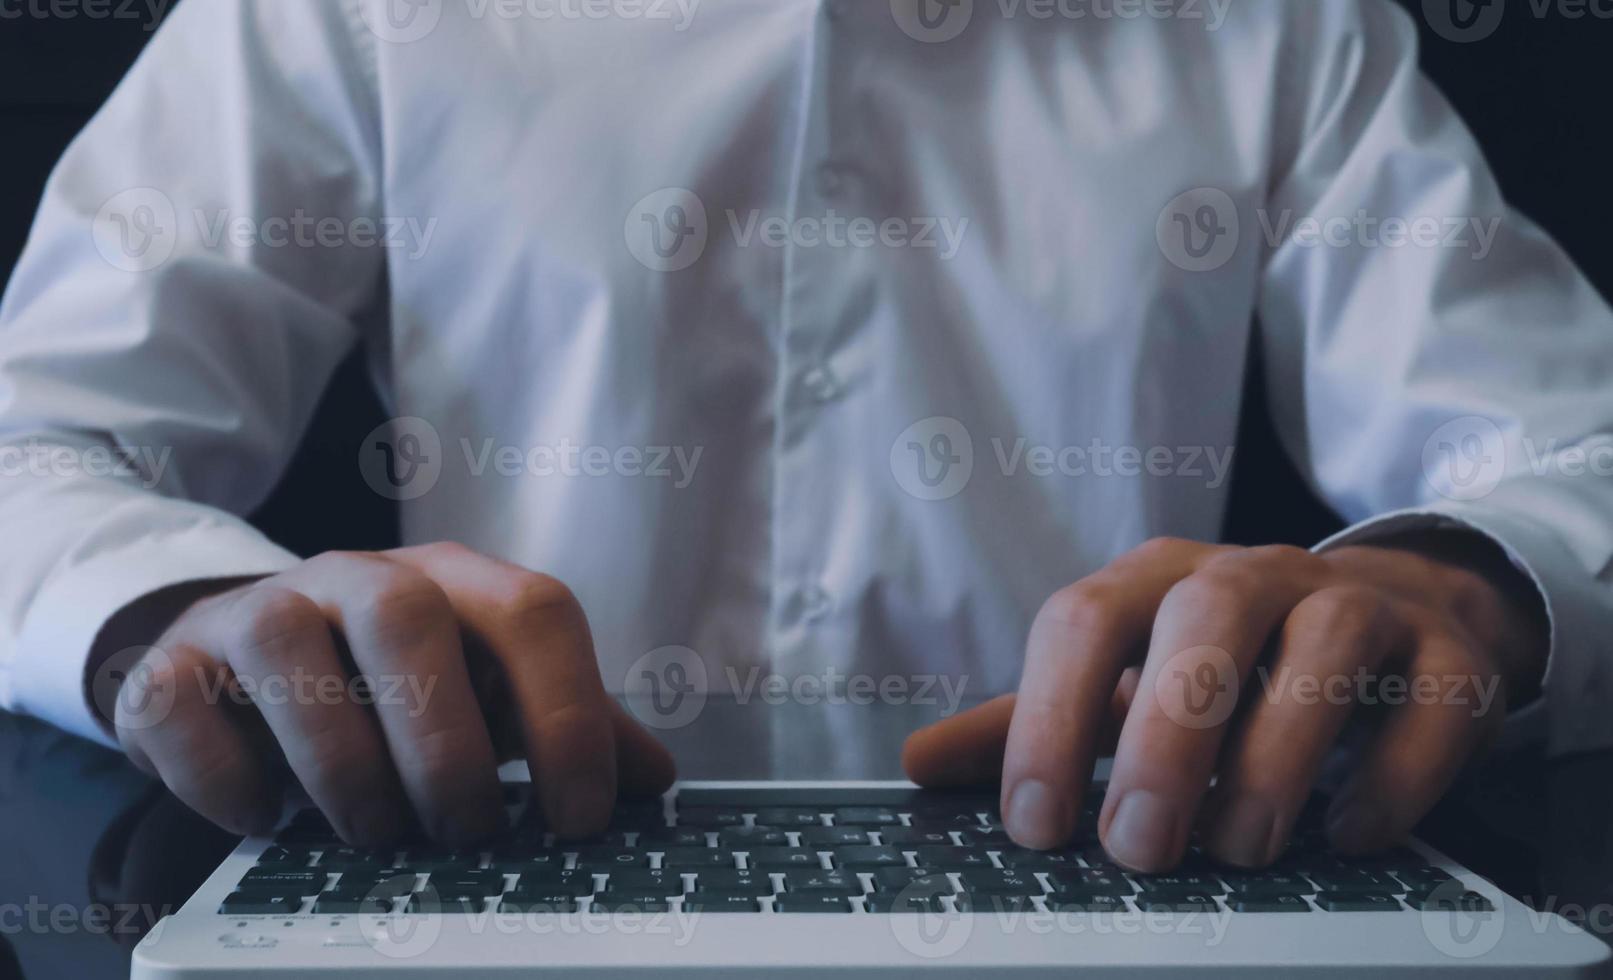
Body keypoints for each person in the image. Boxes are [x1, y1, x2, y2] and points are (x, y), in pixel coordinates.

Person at [0, 0, 1608, 875]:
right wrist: (171, 612)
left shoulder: (1280, 29)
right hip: (466, 876)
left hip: (1130, 891)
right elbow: (31, 443)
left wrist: (1460, 582)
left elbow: (1576, 453)